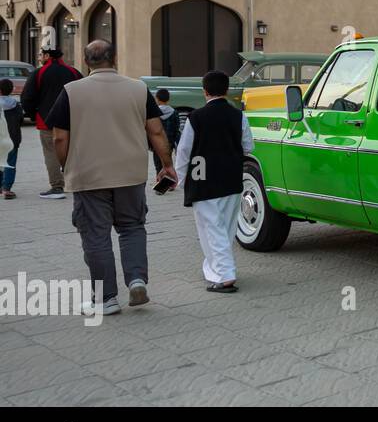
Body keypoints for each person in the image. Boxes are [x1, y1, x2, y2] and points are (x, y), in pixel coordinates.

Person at [47, 41, 177, 317]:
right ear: (115, 58)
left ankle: (106, 299)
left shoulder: (72, 91)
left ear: (86, 61)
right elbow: (156, 131)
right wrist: (167, 165)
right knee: (132, 227)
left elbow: (59, 136)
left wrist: (66, 165)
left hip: (88, 175)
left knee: (96, 236)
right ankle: (137, 280)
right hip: (130, 173)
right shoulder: (138, 89)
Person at [173, 70, 252, 293]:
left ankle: (225, 275)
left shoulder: (195, 117)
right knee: (226, 227)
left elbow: (184, 151)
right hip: (231, 177)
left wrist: (179, 179)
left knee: (211, 229)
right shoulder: (239, 116)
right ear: (226, 90)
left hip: (202, 178)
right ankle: (215, 270)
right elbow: (248, 147)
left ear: (205, 91)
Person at [20, 46, 82, 200]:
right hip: (72, 119)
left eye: (41, 54)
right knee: (73, 151)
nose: (39, 57)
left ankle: (57, 186)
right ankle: (73, 182)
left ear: (47, 55)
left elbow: (27, 97)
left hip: (46, 120)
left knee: (51, 153)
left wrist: (32, 114)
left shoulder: (39, 73)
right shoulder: (73, 72)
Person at [1, 79, 21, 199]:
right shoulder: (15, 104)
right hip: (12, 138)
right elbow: (20, 119)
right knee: (10, 163)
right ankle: (7, 189)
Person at [153, 89, 181, 172]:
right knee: (168, 165)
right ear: (168, 99)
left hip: (156, 144)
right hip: (169, 144)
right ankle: (167, 182)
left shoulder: (154, 113)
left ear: (157, 99)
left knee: (158, 166)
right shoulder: (174, 112)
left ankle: (159, 182)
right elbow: (177, 129)